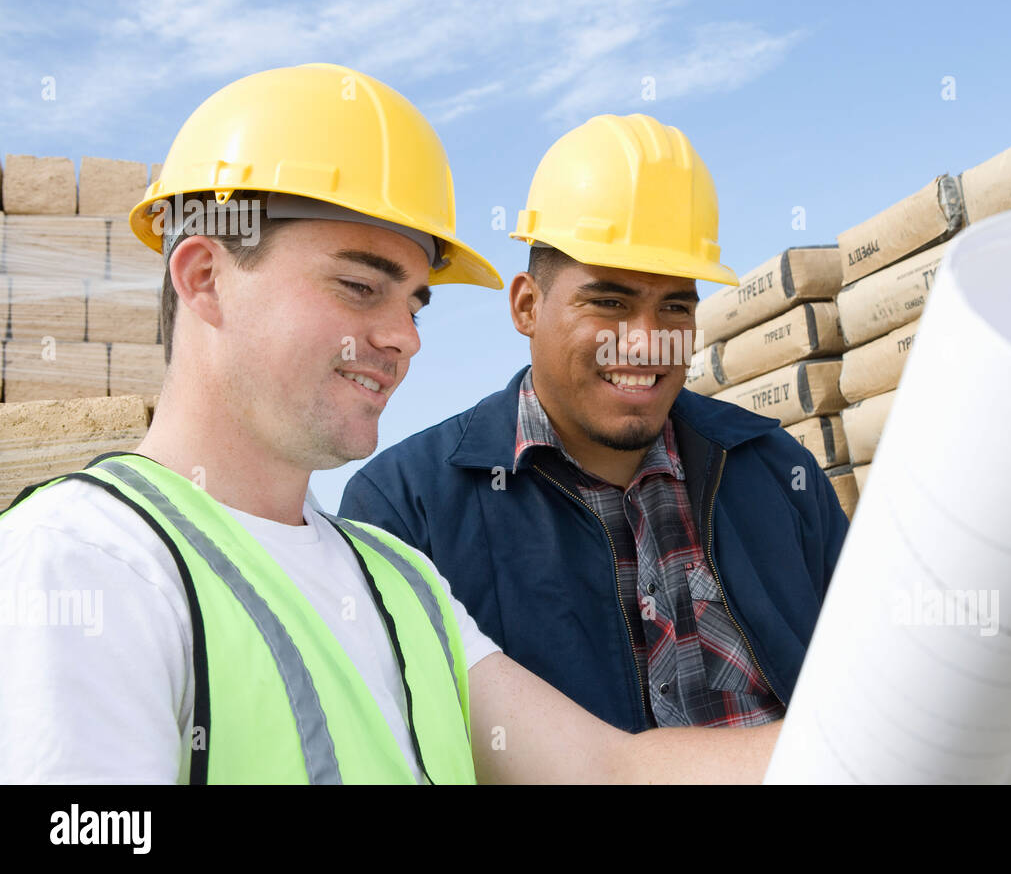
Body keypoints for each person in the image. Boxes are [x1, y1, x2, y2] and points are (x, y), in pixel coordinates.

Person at [0, 66, 777, 784]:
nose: (405, 336)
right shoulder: (85, 562)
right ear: (205, 279)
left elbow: (612, 772)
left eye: (413, 301)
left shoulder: (398, 579)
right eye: (359, 286)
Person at [340, 114, 848, 733]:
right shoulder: (406, 506)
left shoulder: (774, 468)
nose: (645, 343)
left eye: (674, 307)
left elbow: (871, 678)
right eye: (608, 302)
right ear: (527, 306)